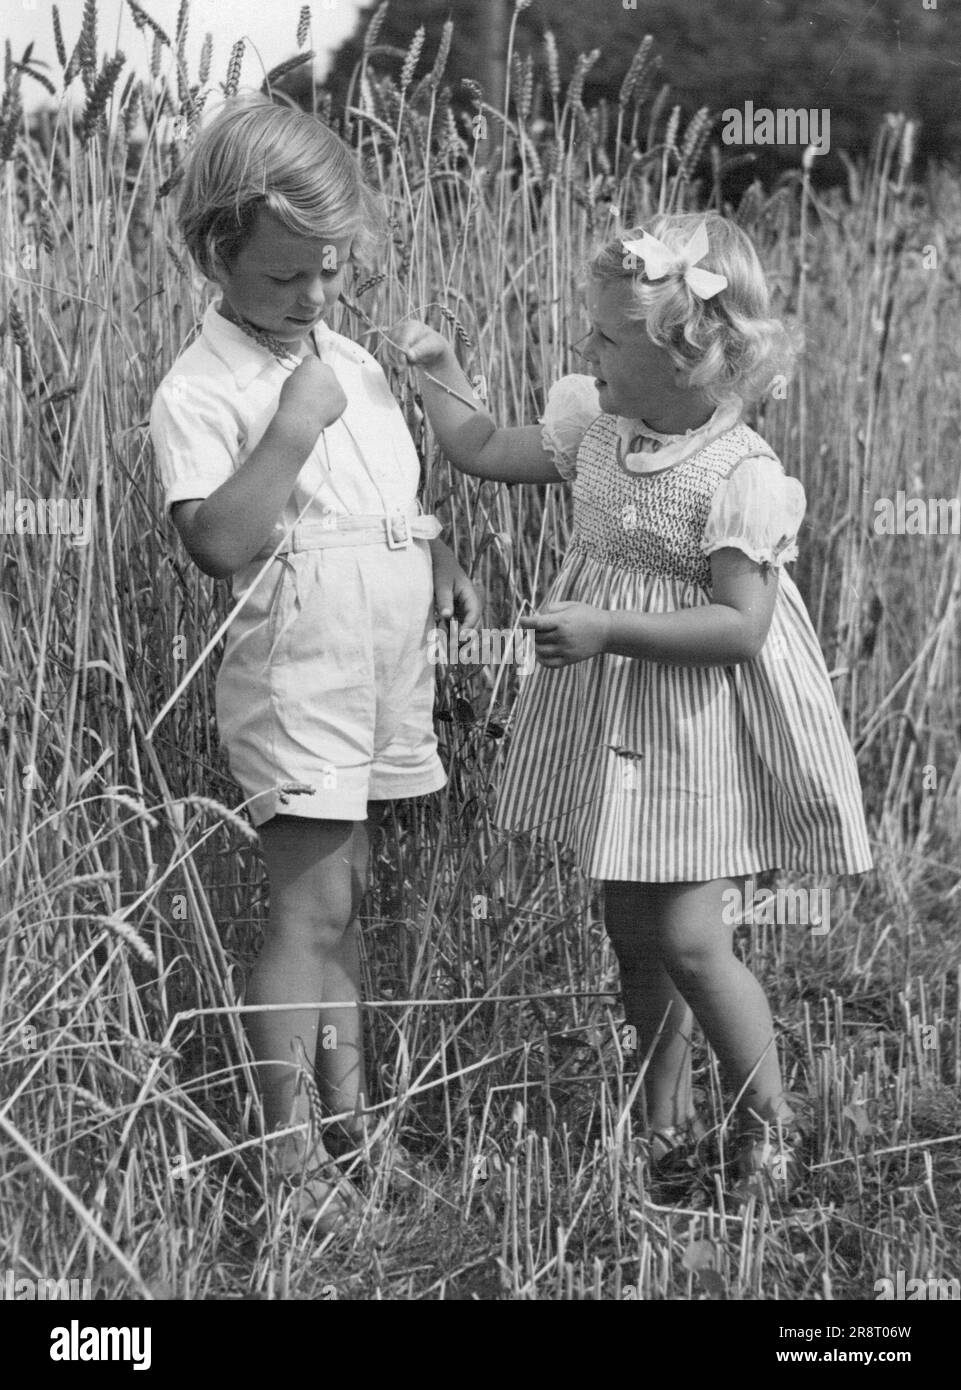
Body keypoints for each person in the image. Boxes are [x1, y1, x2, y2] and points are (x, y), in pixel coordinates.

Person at [392, 212, 872, 1193]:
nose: (587, 349)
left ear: (688, 357)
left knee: (692, 938)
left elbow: (739, 627)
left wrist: (608, 627)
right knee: (632, 931)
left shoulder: (740, 476)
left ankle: (768, 1126)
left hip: (699, 735)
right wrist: (439, 369)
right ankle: (663, 1116)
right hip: (619, 732)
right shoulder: (598, 432)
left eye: (609, 338)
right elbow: (479, 445)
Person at [149, 94, 480, 1231]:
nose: (313, 296)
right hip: (299, 670)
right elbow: (217, 542)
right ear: (215, 255)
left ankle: (353, 1129)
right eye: (285, 276)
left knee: (348, 901)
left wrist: (435, 558)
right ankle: (288, 1162)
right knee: (306, 908)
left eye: (328, 271)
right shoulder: (202, 388)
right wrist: (291, 426)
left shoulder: (351, 360)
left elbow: (385, 498)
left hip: (383, 662)